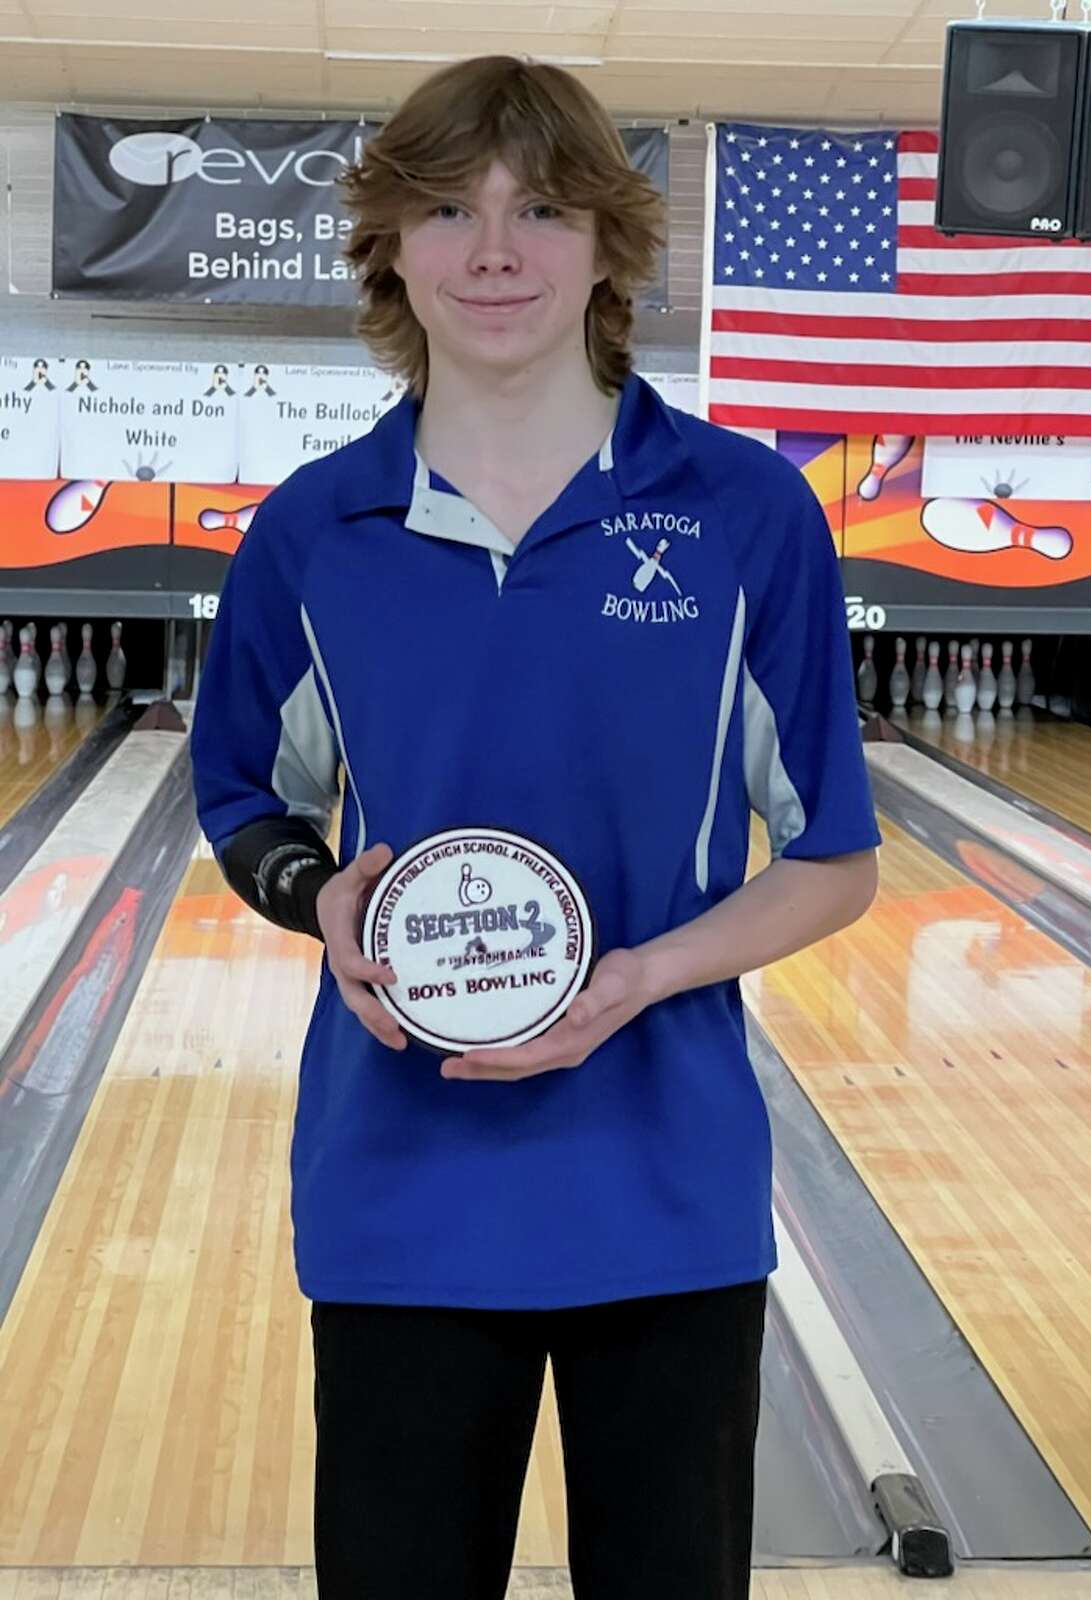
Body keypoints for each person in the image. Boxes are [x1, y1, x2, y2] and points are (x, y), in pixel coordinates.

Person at [190, 54, 880, 1600]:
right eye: (448, 209)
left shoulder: (745, 514)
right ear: (390, 246)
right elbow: (244, 798)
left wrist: (638, 977)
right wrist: (325, 904)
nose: (494, 250)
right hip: (397, 1195)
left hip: (667, 1193)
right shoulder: (316, 530)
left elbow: (834, 856)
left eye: (542, 208)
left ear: (608, 245)